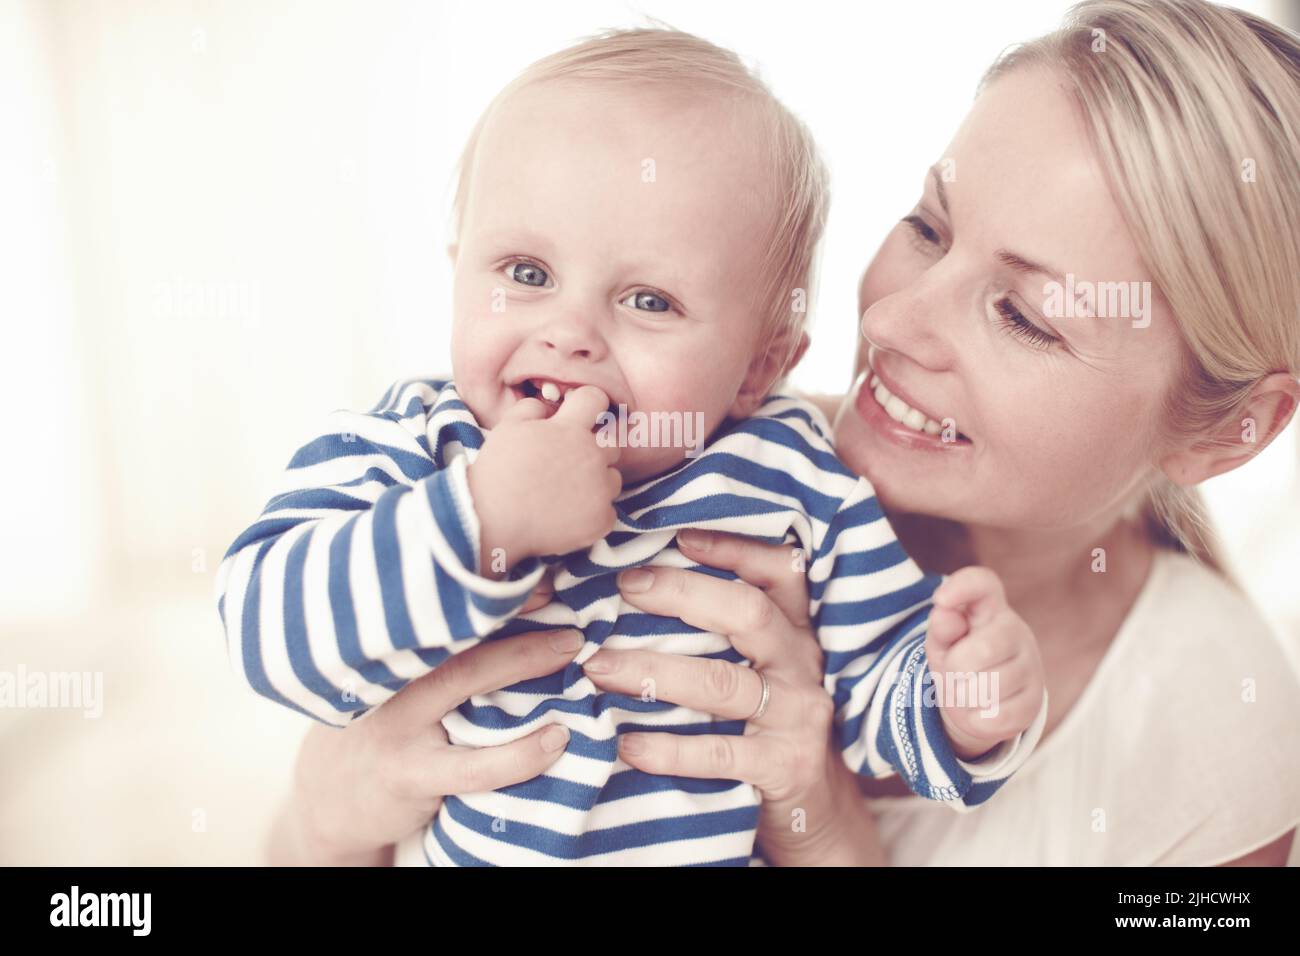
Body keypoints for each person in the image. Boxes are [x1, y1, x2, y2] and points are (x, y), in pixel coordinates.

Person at [268, 0, 1300, 866]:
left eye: (1024, 314)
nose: (891, 322)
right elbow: (286, 622)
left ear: (1229, 430)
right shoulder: (484, 438)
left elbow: (897, 680)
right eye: (927, 226)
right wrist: (326, 809)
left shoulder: (1215, 731)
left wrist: (845, 798)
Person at [221, 29, 1048, 866]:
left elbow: (874, 679)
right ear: (457, 273)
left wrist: (960, 703)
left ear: (757, 368)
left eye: (649, 299)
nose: (569, 333)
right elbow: (267, 630)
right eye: (527, 273)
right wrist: (479, 520)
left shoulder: (790, 474)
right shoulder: (416, 447)